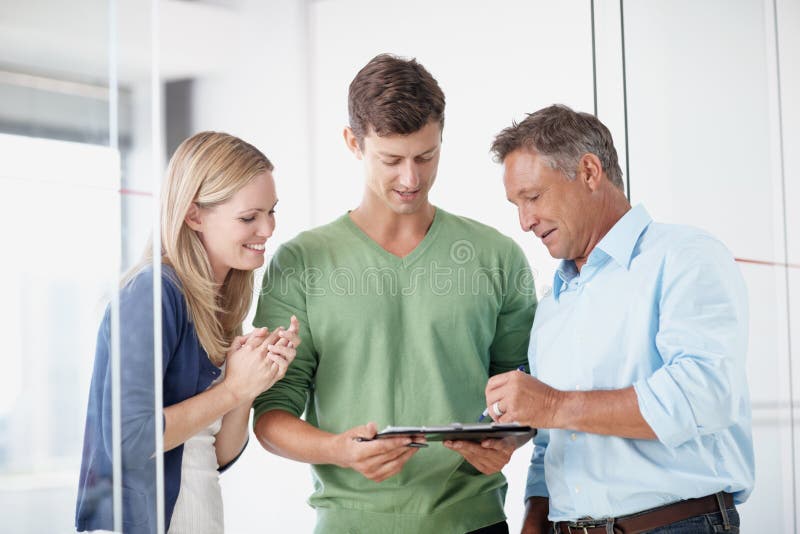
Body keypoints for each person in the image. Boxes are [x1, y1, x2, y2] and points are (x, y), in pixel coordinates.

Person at [252, 53, 537, 533]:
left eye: (426, 156)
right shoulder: (299, 262)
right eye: (392, 159)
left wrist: (510, 441)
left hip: (474, 523)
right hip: (350, 525)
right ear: (353, 143)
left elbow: (527, 388)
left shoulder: (497, 256)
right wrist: (337, 450)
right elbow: (271, 414)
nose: (411, 178)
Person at [487, 104, 754, 534]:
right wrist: (534, 518)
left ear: (590, 172)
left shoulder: (685, 256)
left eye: (533, 197)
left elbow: (703, 396)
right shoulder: (554, 303)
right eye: (516, 205)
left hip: (675, 525)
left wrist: (552, 405)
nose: (524, 222)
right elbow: (554, 440)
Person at [75, 131, 301, 534]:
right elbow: (131, 439)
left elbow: (219, 455)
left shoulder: (219, 304)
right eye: (249, 217)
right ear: (194, 215)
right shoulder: (153, 293)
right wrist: (231, 389)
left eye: (272, 212)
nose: (268, 229)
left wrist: (250, 384)